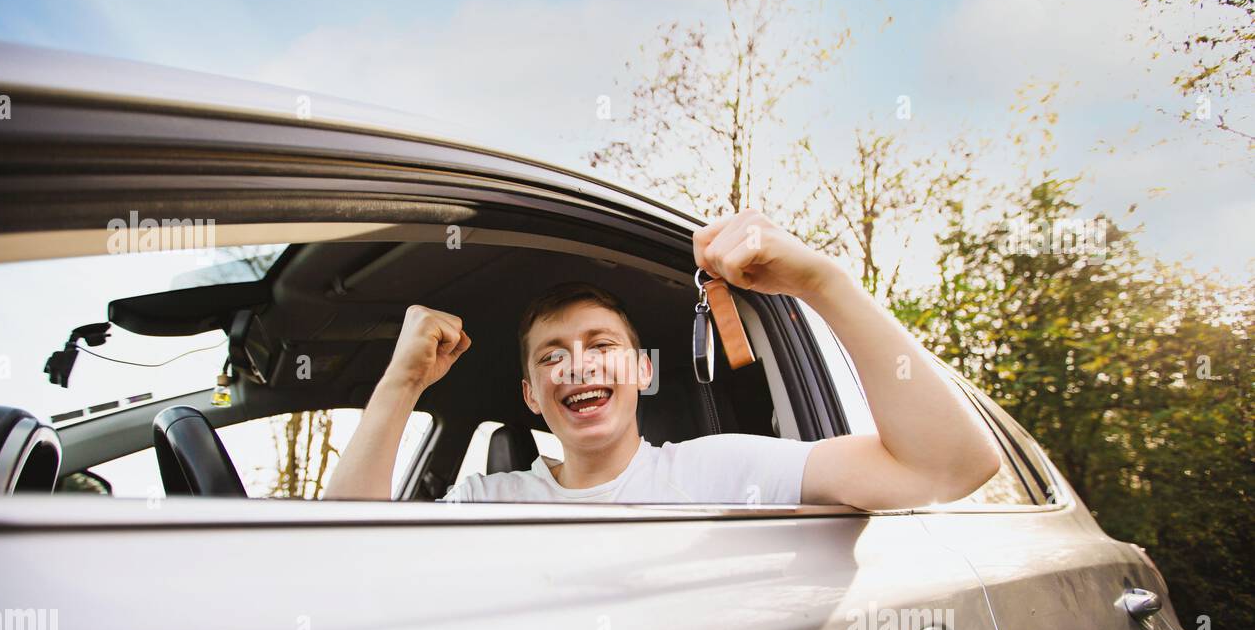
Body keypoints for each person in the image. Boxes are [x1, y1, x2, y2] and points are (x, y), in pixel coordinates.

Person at [324, 210, 1000, 509]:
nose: (578, 367)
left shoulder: (720, 471)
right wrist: (401, 382)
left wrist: (822, 283)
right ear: (532, 395)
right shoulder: (487, 500)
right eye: (552, 357)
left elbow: (948, 467)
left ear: (642, 372)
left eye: (601, 346)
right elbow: (343, 565)